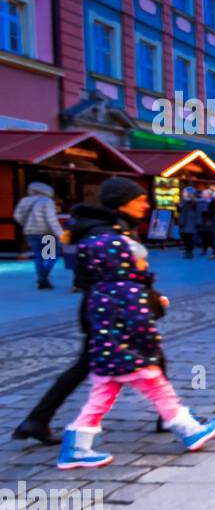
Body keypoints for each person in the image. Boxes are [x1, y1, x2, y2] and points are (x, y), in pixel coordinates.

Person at [57, 182, 215, 468]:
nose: (146, 266)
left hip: (106, 354)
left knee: (99, 399)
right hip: (131, 353)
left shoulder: (100, 288)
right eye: (142, 262)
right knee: (159, 389)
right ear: (126, 261)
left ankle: (75, 445)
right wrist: (150, 347)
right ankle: (190, 430)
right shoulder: (128, 289)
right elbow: (139, 322)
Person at [12, 178, 154, 445]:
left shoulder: (111, 227)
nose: (146, 204)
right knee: (148, 356)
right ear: (122, 202)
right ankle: (176, 419)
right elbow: (122, 276)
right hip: (111, 310)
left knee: (88, 363)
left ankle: (37, 420)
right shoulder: (108, 232)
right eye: (139, 200)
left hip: (102, 306)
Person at [13, 181, 63, 290]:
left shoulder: (24, 201)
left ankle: (42, 278)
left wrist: (26, 225)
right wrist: (60, 234)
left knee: (38, 256)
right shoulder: (47, 201)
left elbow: (17, 216)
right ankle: (44, 277)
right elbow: (51, 219)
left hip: (30, 232)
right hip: (46, 233)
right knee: (52, 255)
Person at [177, 187, 200, 259]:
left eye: (184, 192)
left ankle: (189, 251)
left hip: (190, 220)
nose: (183, 193)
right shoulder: (183, 201)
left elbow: (197, 212)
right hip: (183, 220)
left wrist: (197, 222)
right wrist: (178, 207)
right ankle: (187, 250)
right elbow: (180, 211)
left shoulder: (194, 202)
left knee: (188, 236)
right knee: (183, 235)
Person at [197, 188, 215, 258]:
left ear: (209, 195)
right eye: (203, 193)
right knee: (204, 236)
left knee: (211, 236)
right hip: (202, 221)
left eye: (205, 194)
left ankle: (214, 250)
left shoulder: (213, 202)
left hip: (210, 221)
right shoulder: (199, 202)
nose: (203, 195)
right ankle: (204, 249)